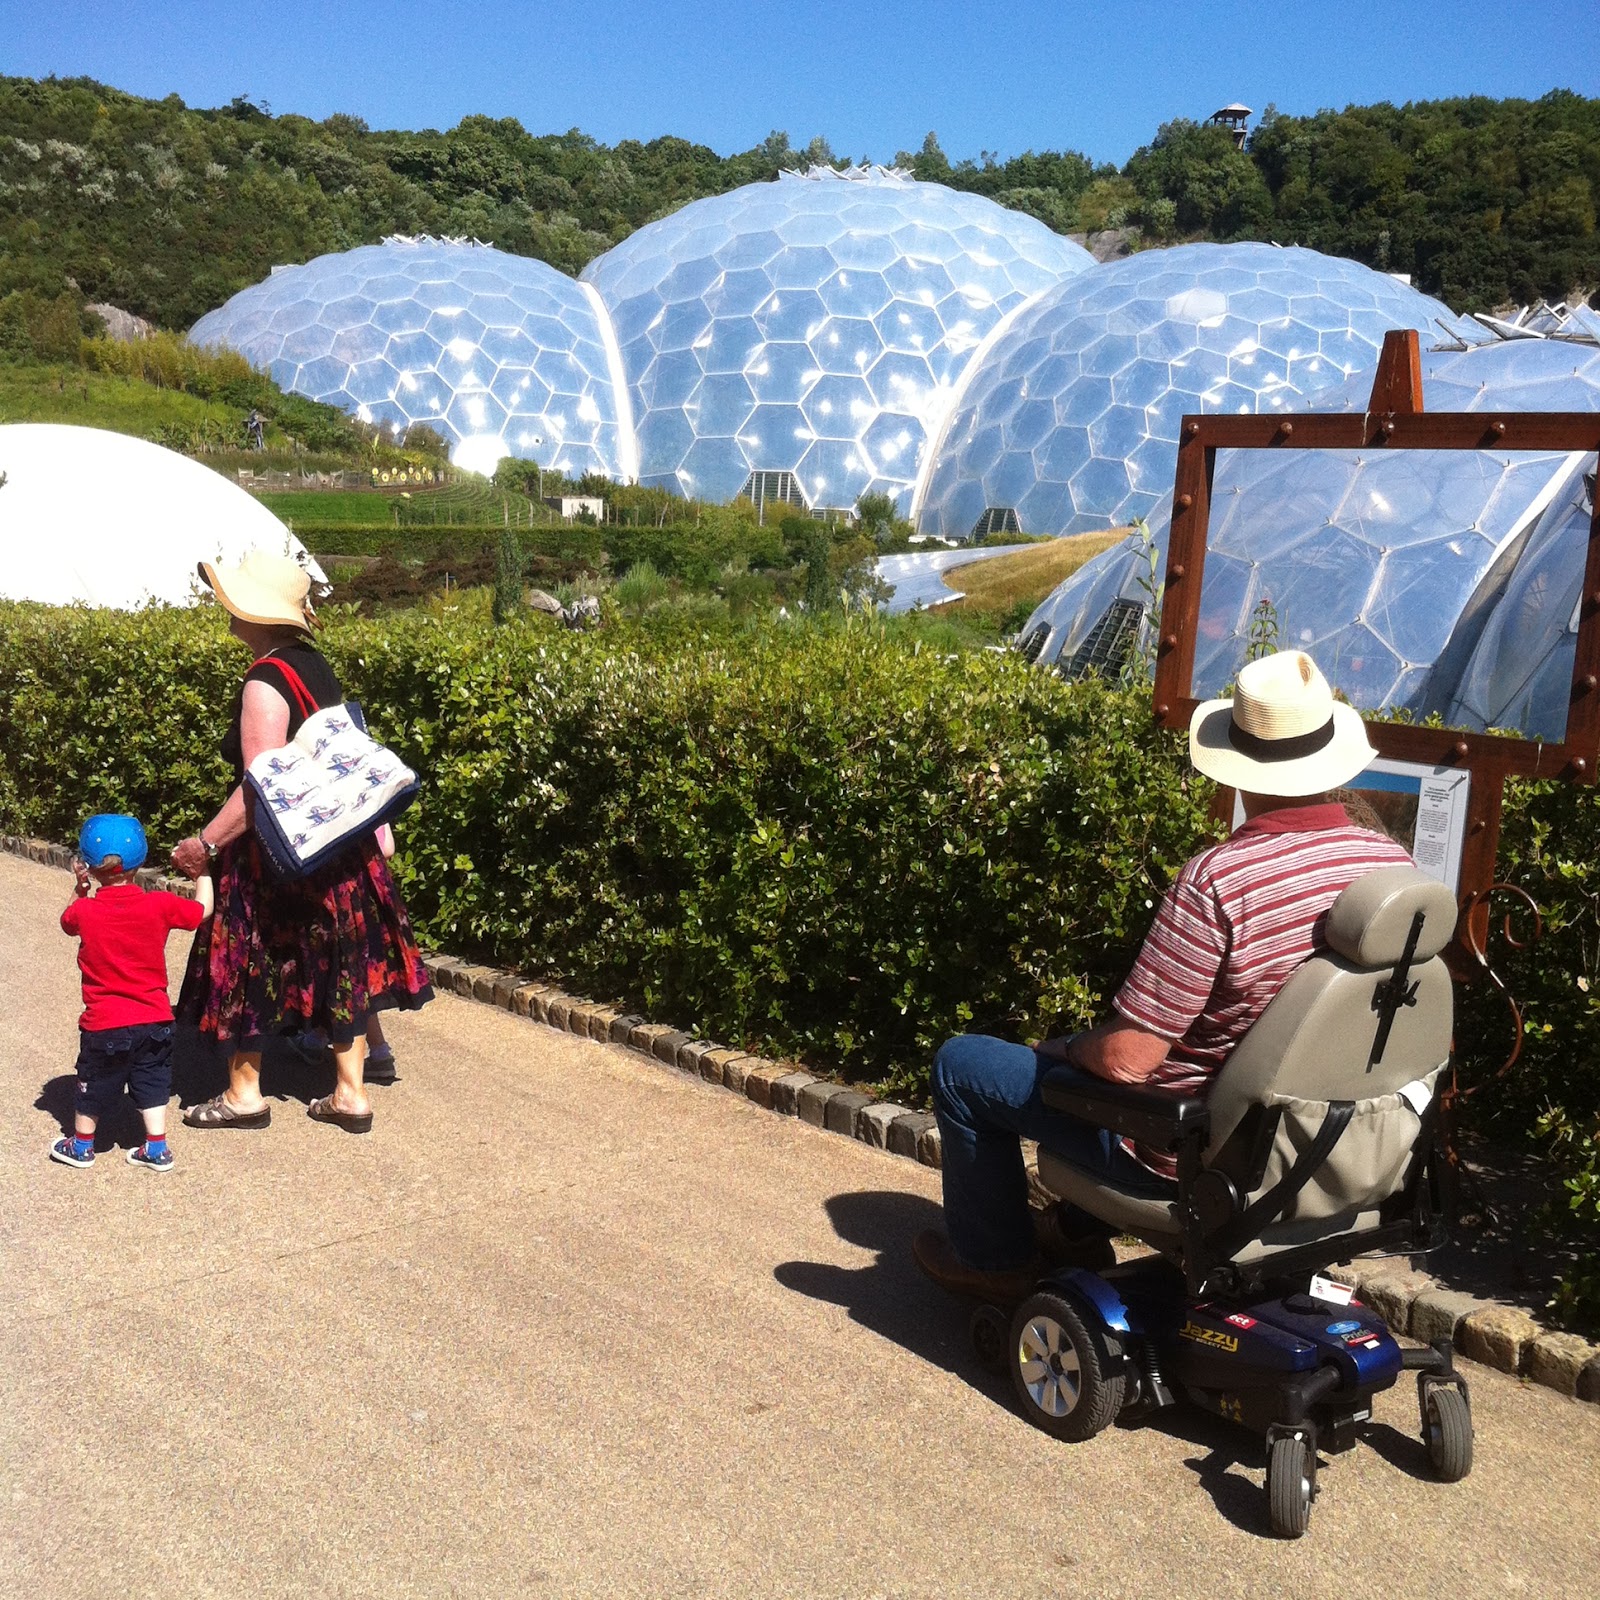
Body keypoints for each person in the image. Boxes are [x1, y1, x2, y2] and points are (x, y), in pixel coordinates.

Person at [914, 648, 1417, 1302]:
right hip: (1325, 1147)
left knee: (967, 1065)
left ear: (1239, 766)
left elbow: (1129, 1061)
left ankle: (996, 1263)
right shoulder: (1390, 868)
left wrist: (1062, 1047)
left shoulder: (1219, 882)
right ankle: (1072, 1233)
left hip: (1194, 1156)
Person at [170, 548, 432, 1135]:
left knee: (247, 956)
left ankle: (243, 1094)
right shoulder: (312, 665)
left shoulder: (265, 681)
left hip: (281, 856)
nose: (225, 609)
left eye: (232, 600)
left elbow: (263, 787)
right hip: (339, 846)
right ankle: (352, 1091)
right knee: (340, 957)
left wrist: (205, 846)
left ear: (256, 613)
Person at [53, 814, 213, 1172]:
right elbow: (203, 912)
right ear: (140, 861)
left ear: (91, 868)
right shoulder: (158, 903)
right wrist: (202, 872)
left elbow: (66, 922)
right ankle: (156, 1148)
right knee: (153, 1079)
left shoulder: (85, 910)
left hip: (105, 1022)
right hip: (155, 1018)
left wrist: (80, 890)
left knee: (93, 1083)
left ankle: (81, 1146)